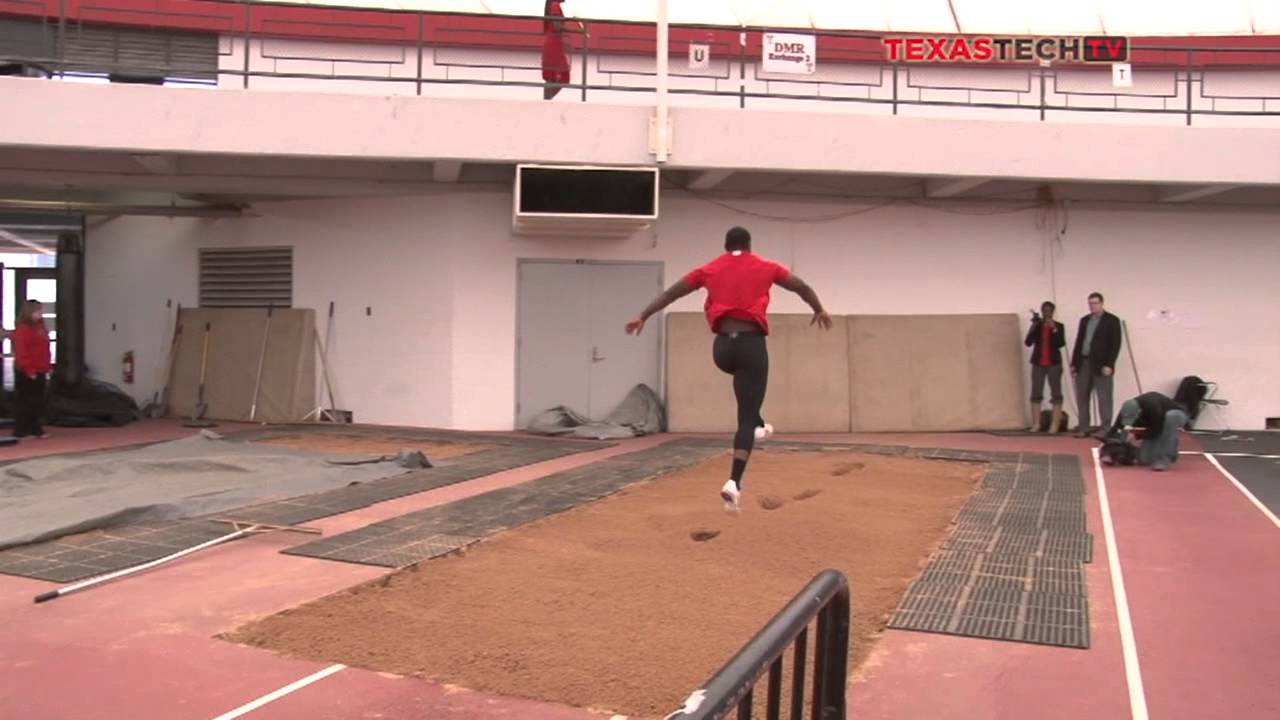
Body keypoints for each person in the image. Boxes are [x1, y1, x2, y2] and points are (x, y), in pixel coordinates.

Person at [625, 226, 832, 512]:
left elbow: (671, 294)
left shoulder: (709, 269)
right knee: (745, 417)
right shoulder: (766, 266)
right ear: (748, 245)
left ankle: (758, 424)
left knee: (748, 396)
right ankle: (734, 482)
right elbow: (802, 287)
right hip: (751, 346)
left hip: (722, 350)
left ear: (726, 246)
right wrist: (818, 308)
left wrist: (642, 316)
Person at [1069, 292, 1122, 438]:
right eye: (1090, 303)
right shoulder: (1085, 320)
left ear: (1102, 303)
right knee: (1082, 396)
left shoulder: (1112, 320)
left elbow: (1115, 345)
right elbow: (1079, 342)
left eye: (1095, 303)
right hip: (1084, 362)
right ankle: (1084, 427)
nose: (1092, 306)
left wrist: (1109, 364)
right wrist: (1074, 364)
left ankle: (1105, 428)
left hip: (1101, 364)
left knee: (1104, 397)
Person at [1103, 391, 1188, 471]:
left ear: (1139, 412)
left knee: (1171, 418)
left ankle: (1163, 458)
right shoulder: (1127, 407)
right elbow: (1116, 428)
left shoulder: (1152, 406)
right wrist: (1107, 445)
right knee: (1144, 460)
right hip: (1155, 423)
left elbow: (1157, 430)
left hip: (1177, 414)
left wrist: (1137, 436)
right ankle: (1171, 451)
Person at [11, 300, 52, 440]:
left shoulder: (40, 327)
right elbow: (22, 351)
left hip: (40, 369)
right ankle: (21, 429)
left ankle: (35, 428)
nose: (41, 314)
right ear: (29, 312)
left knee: (37, 401)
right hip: (26, 370)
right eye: (38, 311)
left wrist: (47, 367)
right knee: (26, 401)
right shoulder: (23, 329)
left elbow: (44, 349)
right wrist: (29, 370)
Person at [1025, 301, 1066, 433]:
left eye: (1049, 310)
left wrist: (1054, 329)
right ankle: (1036, 424)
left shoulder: (1059, 326)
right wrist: (1033, 326)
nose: (1047, 313)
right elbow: (1028, 342)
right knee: (1036, 393)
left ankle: (1054, 424)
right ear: (1042, 311)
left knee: (1056, 393)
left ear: (1053, 312)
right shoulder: (1037, 325)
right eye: (1044, 310)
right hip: (1038, 364)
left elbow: (1061, 343)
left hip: (1054, 364)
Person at [541, 1, 583, 100]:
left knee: (552, 77)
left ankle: (546, 102)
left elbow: (556, 26)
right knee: (562, 77)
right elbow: (557, 26)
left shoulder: (553, 5)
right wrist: (577, 31)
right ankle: (547, 101)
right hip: (553, 44)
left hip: (553, 42)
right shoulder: (555, 6)